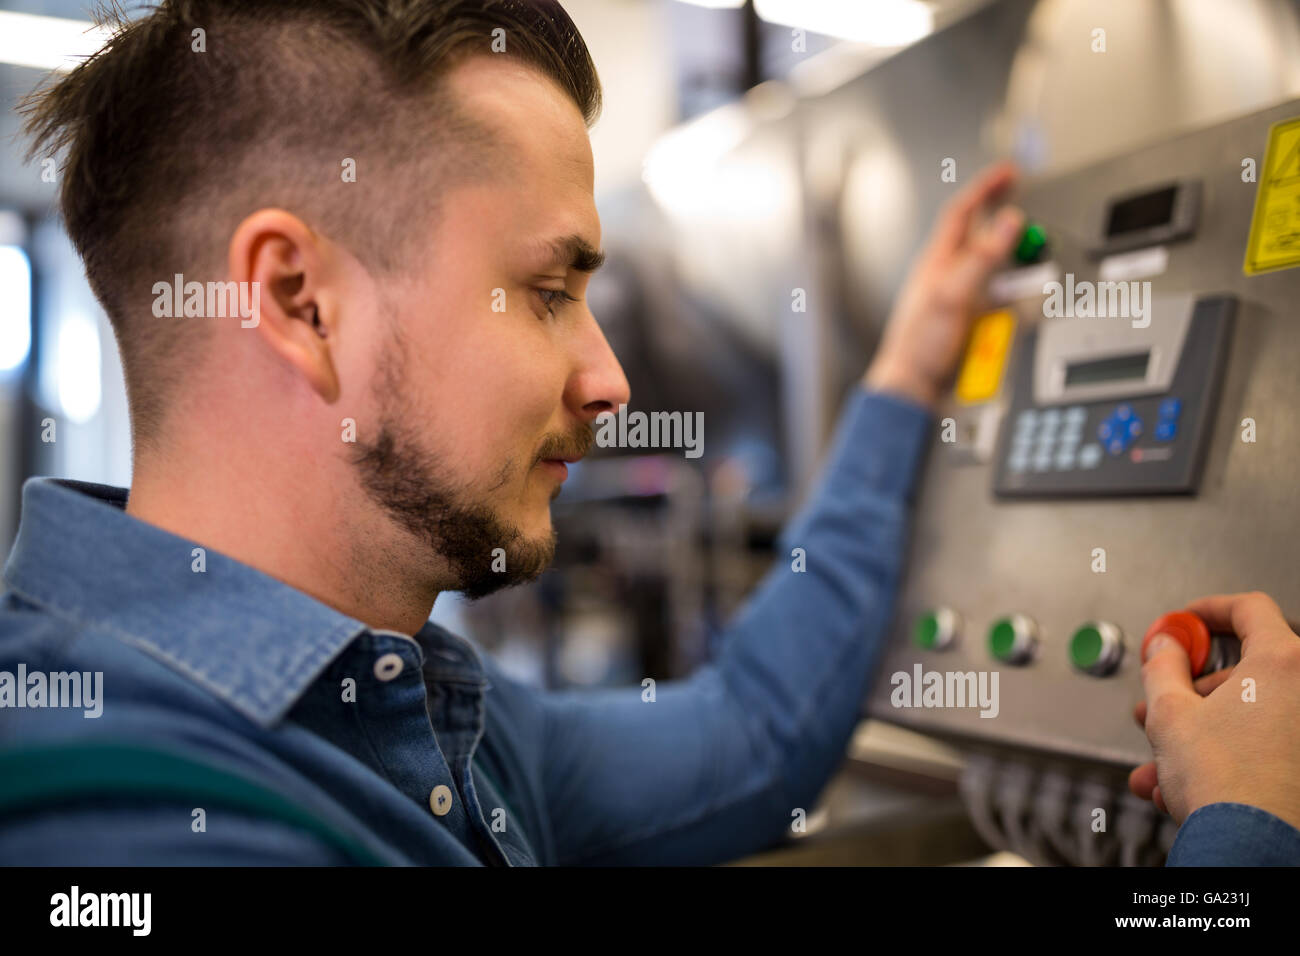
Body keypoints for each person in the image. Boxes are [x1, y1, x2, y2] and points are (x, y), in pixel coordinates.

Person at [0, 0, 1295, 866]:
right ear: (300, 303)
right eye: (551, 290)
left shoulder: (411, 709)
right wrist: (1248, 832)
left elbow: (753, 737)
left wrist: (908, 367)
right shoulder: (124, 809)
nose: (610, 378)